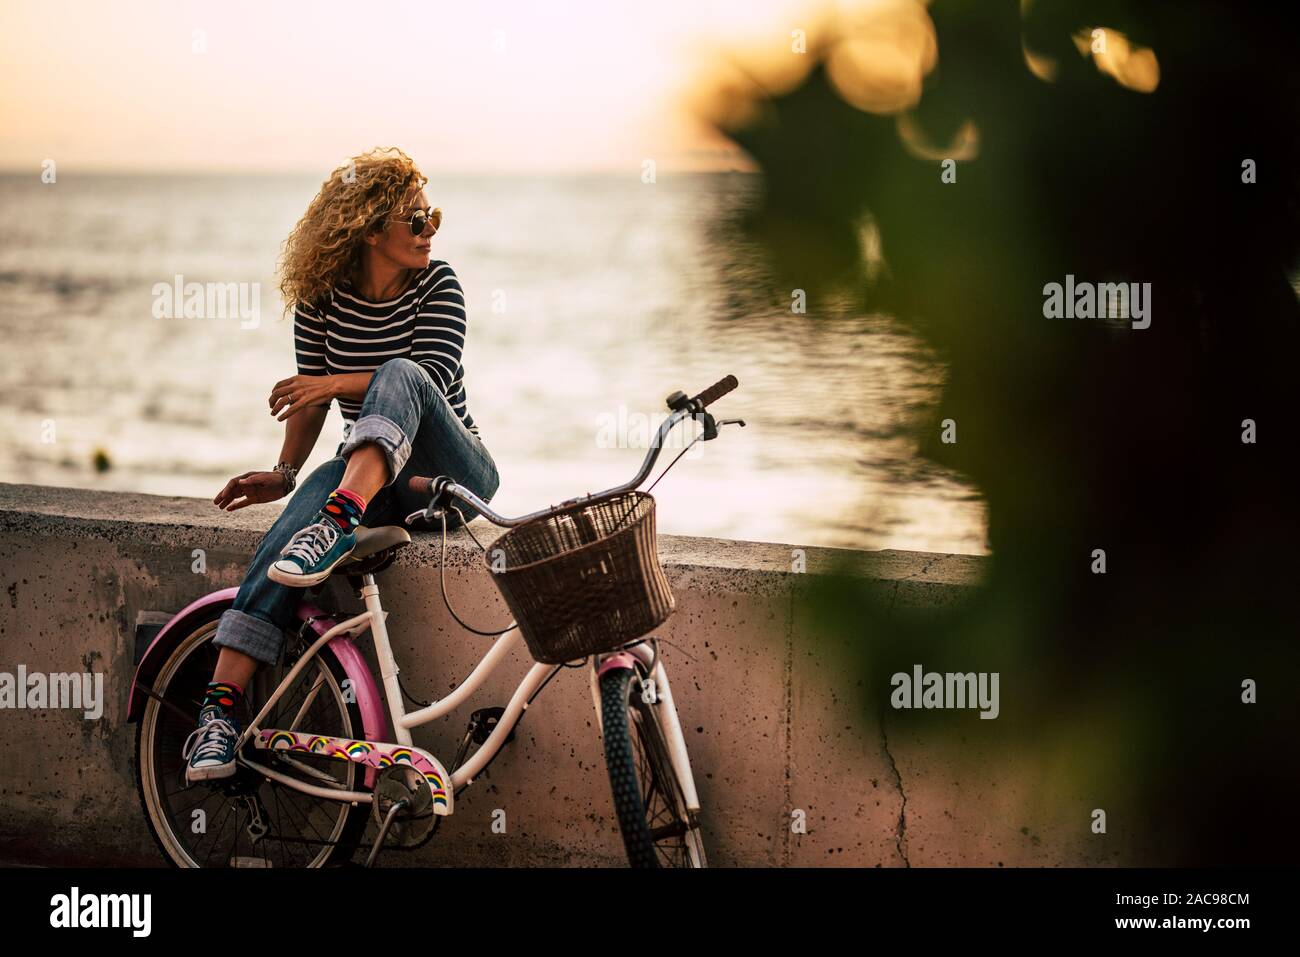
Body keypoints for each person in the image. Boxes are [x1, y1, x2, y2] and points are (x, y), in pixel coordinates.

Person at [182, 147, 501, 784]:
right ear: (369, 228)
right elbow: (308, 398)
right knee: (287, 538)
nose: (429, 229)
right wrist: (284, 471)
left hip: (449, 477)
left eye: (431, 215)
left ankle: (337, 519)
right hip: (373, 473)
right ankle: (216, 717)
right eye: (415, 219)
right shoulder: (322, 298)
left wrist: (327, 385)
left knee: (401, 373)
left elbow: (426, 380)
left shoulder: (438, 284)